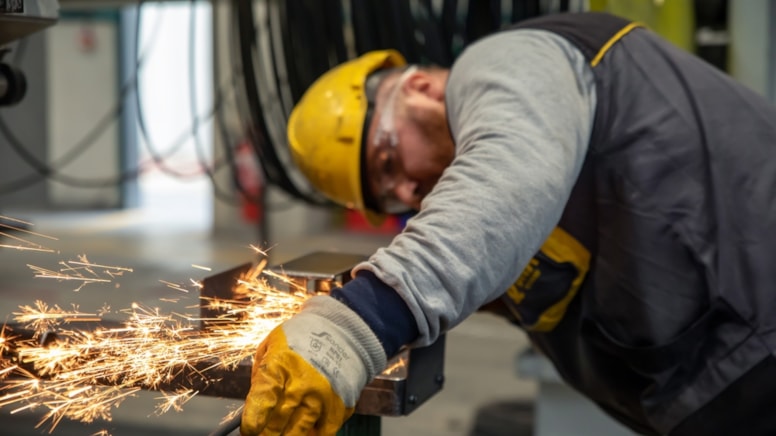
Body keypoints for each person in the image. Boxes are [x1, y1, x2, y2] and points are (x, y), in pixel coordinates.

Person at [240, 11, 776, 436]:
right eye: (386, 196)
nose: (405, 192)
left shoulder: (511, 59)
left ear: (418, 89)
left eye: (387, 161)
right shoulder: (478, 205)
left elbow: (511, 167)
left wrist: (360, 322)